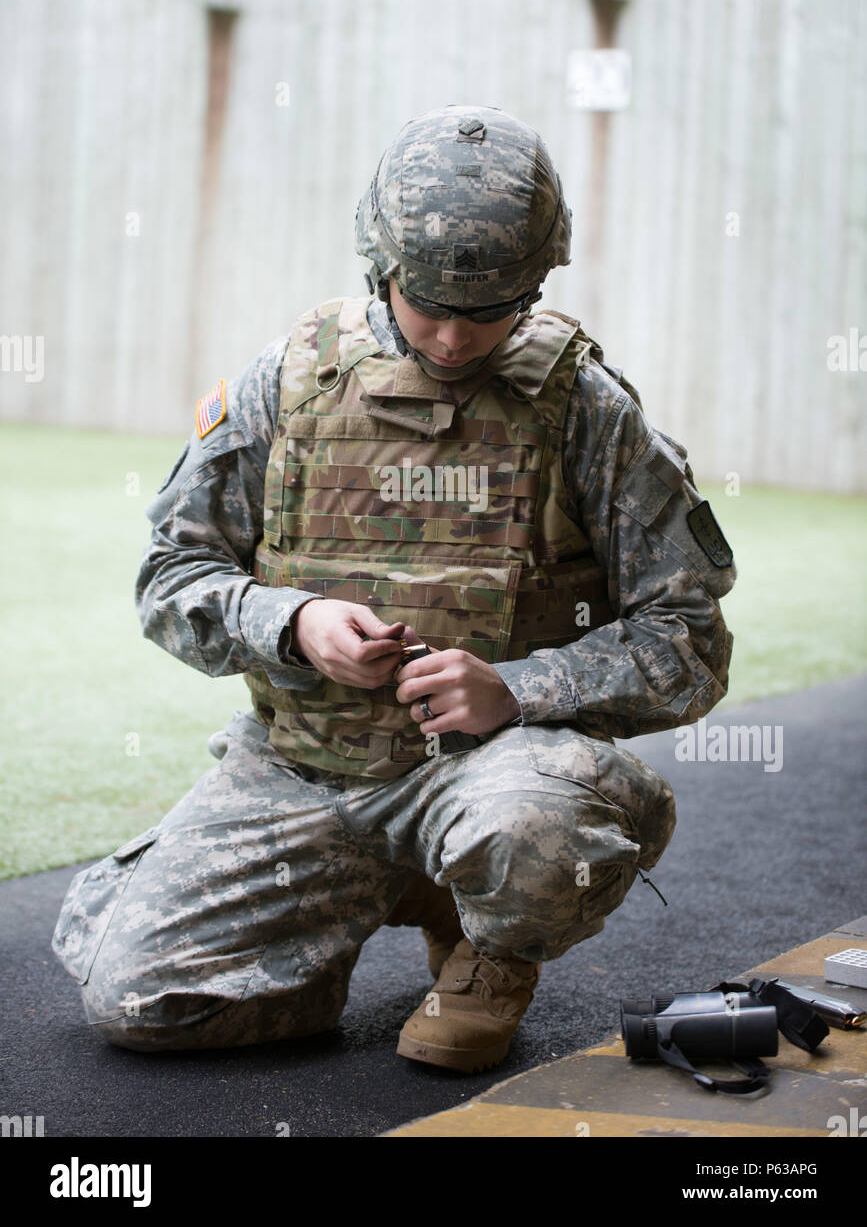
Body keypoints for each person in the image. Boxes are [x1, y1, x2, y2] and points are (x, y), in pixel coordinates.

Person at [51, 105, 736, 1074]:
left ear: (537, 285)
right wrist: (290, 621)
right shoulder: (288, 383)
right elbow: (170, 575)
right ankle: (393, 893)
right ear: (381, 264)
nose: (455, 338)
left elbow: (689, 637)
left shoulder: (584, 409)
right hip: (302, 767)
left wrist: (520, 688)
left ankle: (491, 942)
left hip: (490, 772)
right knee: (142, 1003)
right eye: (428, 305)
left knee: (542, 828)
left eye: (491, 310)